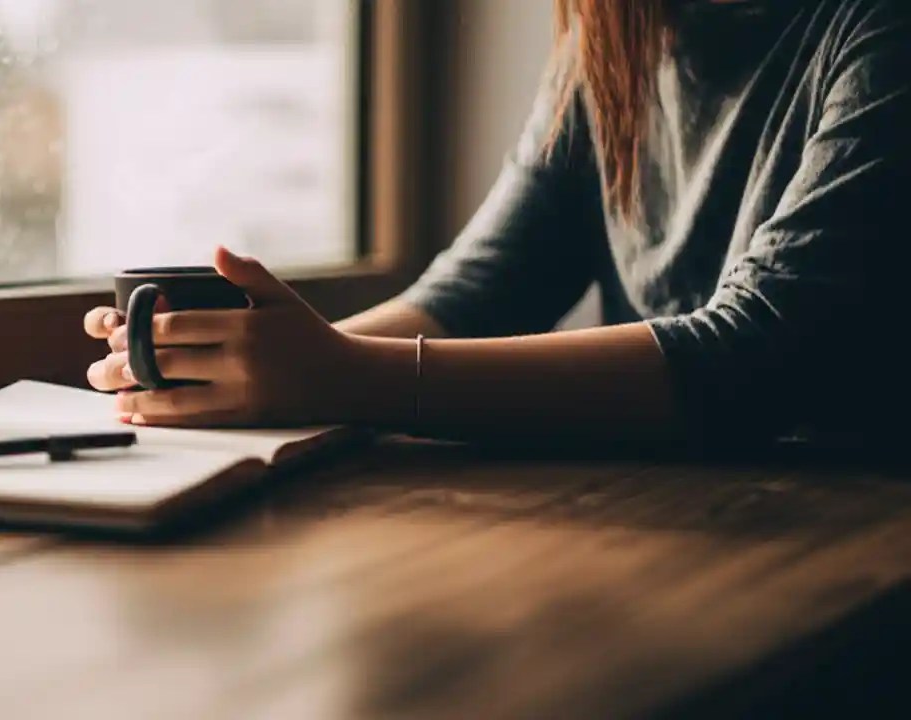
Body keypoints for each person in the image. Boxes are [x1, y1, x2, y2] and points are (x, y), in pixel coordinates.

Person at [83, 0, 910, 451]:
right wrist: (256, 364)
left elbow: (755, 356)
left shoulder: (879, 30)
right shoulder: (612, 36)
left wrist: (334, 374)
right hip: (673, 514)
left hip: (844, 552)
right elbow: (477, 291)